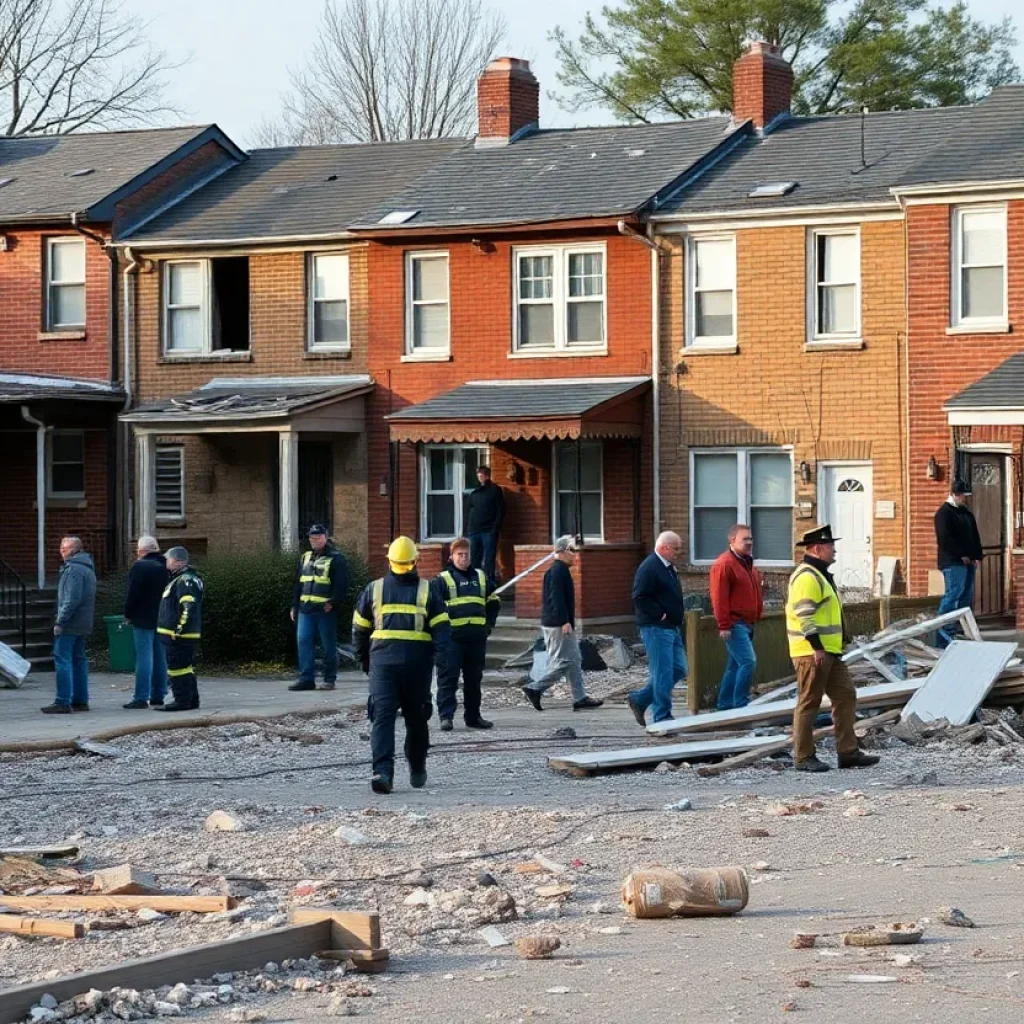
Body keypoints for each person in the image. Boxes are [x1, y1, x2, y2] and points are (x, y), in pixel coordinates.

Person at [352, 536, 451, 794]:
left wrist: (364, 660)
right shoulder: (428, 591)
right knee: (416, 719)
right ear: (415, 561)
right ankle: (417, 765)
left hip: (383, 665)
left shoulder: (373, 589)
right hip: (417, 666)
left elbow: (359, 629)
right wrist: (443, 663)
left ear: (390, 561)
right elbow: (442, 631)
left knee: (382, 718)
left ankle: (382, 772)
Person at [786, 524, 879, 773]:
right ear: (818, 548)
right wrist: (816, 647)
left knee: (846, 695)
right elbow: (805, 616)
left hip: (830, 651)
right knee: (809, 702)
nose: (835, 551)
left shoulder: (820, 575)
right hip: (812, 651)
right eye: (831, 546)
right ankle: (803, 756)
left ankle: (848, 752)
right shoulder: (807, 577)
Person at [521, 536, 604, 712]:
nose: (575, 555)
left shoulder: (559, 570)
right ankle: (535, 688)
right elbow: (556, 598)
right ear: (562, 551)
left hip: (557, 623)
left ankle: (579, 697)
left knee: (575, 660)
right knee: (566, 661)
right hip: (557, 624)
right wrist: (564, 621)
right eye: (572, 550)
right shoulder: (558, 571)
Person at [432, 537, 501, 732]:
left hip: (476, 639)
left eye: (466, 554)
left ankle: (473, 717)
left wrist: (488, 626)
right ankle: (446, 717)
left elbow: (494, 602)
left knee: (474, 679)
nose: (463, 558)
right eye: (459, 555)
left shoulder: (480, 577)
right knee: (448, 678)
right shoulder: (442, 580)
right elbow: (433, 608)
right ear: (451, 557)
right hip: (452, 639)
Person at [627, 532, 687, 727]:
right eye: (676, 548)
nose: (679, 552)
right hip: (656, 628)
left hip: (671, 627)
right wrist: (660, 614)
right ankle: (662, 716)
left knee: (679, 668)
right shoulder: (650, 567)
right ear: (664, 548)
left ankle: (641, 699)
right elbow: (639, 596)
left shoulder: (667, 567)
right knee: (662, 672)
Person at [289, 524, 350, 691]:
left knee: (328, 645)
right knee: (303, 641)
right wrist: (294, 606)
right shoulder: (305, 557)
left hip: (325, 610)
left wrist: (333, 602)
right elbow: (298, 584)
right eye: (312, 538)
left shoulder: (336, 558)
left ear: (325, 537)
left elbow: (342, 584)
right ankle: (306, 678)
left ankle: (329, 679)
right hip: (305, 609)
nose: (314, 541)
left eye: (318, 537)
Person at [710, 524, 764, 711]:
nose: (749, 542)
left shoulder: (747, 563)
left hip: (748, 622)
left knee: (734, 666)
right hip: (734, 623)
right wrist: (724, 625)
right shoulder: (724, 564)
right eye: (744, 539)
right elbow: (719, 597)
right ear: (732, 540)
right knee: (748, 662)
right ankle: (740, 705)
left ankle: (724, 705)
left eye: (750, 539)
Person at [42, 536, 96, 715]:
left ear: (73, 550)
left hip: (70, 623)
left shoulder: (73, 570)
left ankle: (63, 700)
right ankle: (81, 699)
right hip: (83, 622)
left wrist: (60, 621)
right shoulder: (87, 568)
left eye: (63, 549)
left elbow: (71, 599)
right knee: (79, 659)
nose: (61, 552)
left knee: (63, 659)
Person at [934, 479, 983, 646]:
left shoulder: (966, 513)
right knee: (953, 594)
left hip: (968, 561)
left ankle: (960, 630)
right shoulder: (944, 513)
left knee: (966, 596)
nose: (964, 499)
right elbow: (945, 539)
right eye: (962, 495)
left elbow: (974, 535)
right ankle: (943, 634)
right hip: (952, 561)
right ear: (955, 494)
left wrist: (977, 556)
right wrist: (961, 554)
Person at [122, 536, 169, 709]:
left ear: (141, 551)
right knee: (159, 657)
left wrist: (128, 614)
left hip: (142, 617)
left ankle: (141, 697)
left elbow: (133, 594)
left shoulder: (140, 566)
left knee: (143, 657)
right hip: (163, 617)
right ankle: (159, 694)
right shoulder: (166, 565)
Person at [157, 546, 204, 712]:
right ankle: (191, 700)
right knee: (185, 667)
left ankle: (181, 700)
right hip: (181, 633)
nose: (166, 563)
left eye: (168, 560)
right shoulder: (184, 579)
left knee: (176, 668)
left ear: (177, 561)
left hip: (179, 634)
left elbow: (188, 606)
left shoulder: (185, 580)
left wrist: (178, 629)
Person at [466, 465, 505, 580]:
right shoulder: (475, 492)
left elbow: (501, 509)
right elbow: (469, 510)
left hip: (489, 531)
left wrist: (495, 527)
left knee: (489, 558)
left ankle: (489, 581)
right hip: (474, 531)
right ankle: (474, 581)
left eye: (481, 474)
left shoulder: (494, 490)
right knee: (474, 558)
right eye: (478, 475)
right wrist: (469, 528)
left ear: (487, 476)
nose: (479, 477)